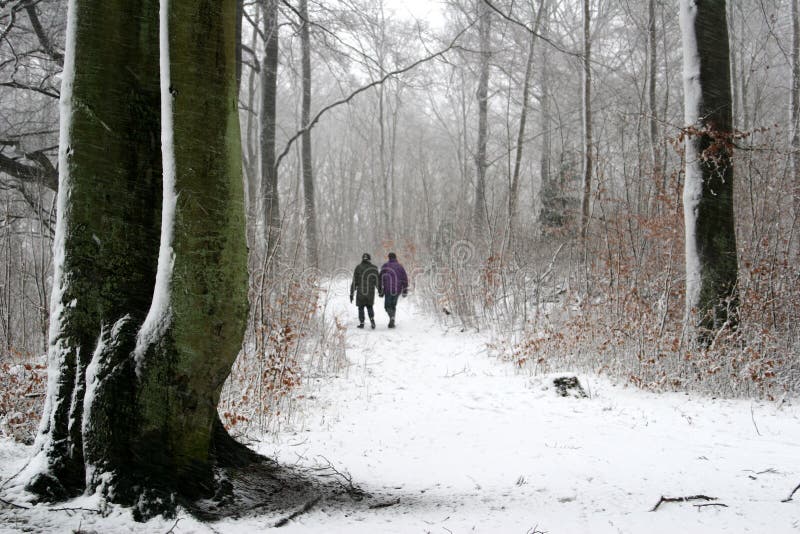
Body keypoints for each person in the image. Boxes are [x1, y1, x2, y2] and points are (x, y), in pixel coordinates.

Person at [350, 253, 380, 329]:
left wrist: (351, 293)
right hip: (370, 292)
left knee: (361, 307)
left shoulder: (358, 267)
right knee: (369, 306)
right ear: (369, 259)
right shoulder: (374, 268)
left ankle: (362, 323)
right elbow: (377, 281)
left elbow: (355, 281)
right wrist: (380, 290)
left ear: (362, 259)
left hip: (361, 291)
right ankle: (372, 320)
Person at [379, 252, 408, 328]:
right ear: (395, 257)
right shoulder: (400, 266)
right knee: (393, 306)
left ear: (389, 257)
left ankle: (391, 317)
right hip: (397, 290)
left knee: (387, 306)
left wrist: (380, 289)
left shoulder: (385, 266)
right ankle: (392, 320)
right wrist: (405, 289)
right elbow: (405, 279)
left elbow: (380, 278)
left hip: (388, 289)